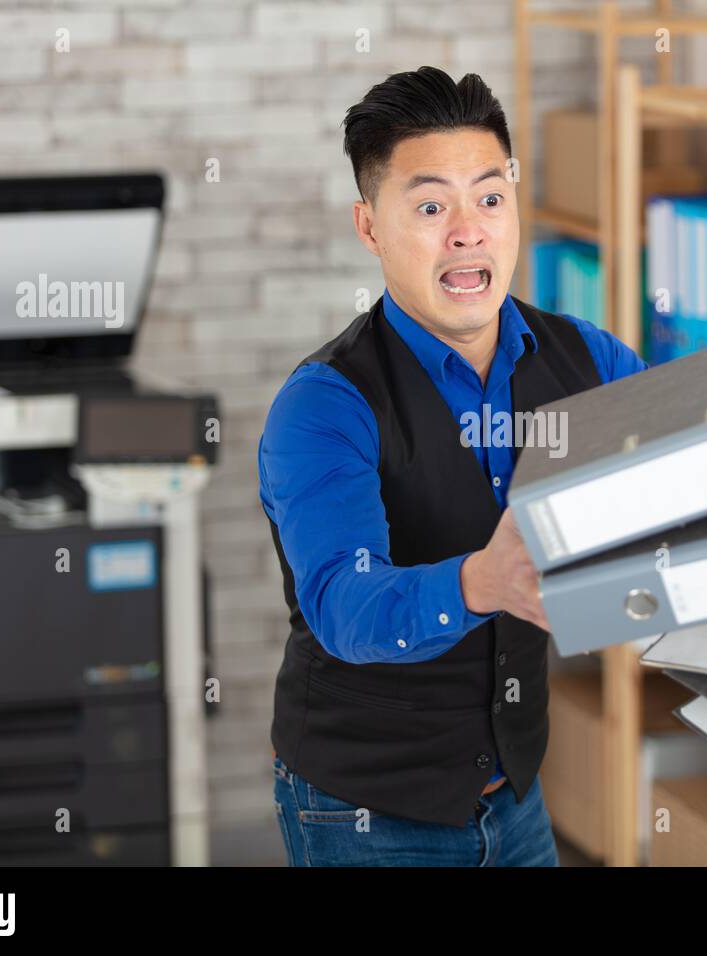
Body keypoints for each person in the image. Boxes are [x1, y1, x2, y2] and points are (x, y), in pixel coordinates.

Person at [259, 65, 647, 866]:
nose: (468, 230)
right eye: (431, 206)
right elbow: (343, 602)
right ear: (369, 227)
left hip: (515, 794)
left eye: (490, 197)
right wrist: (482, 581)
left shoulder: (593, 361)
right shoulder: (325, 405)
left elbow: (688, 471)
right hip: (363, 811)